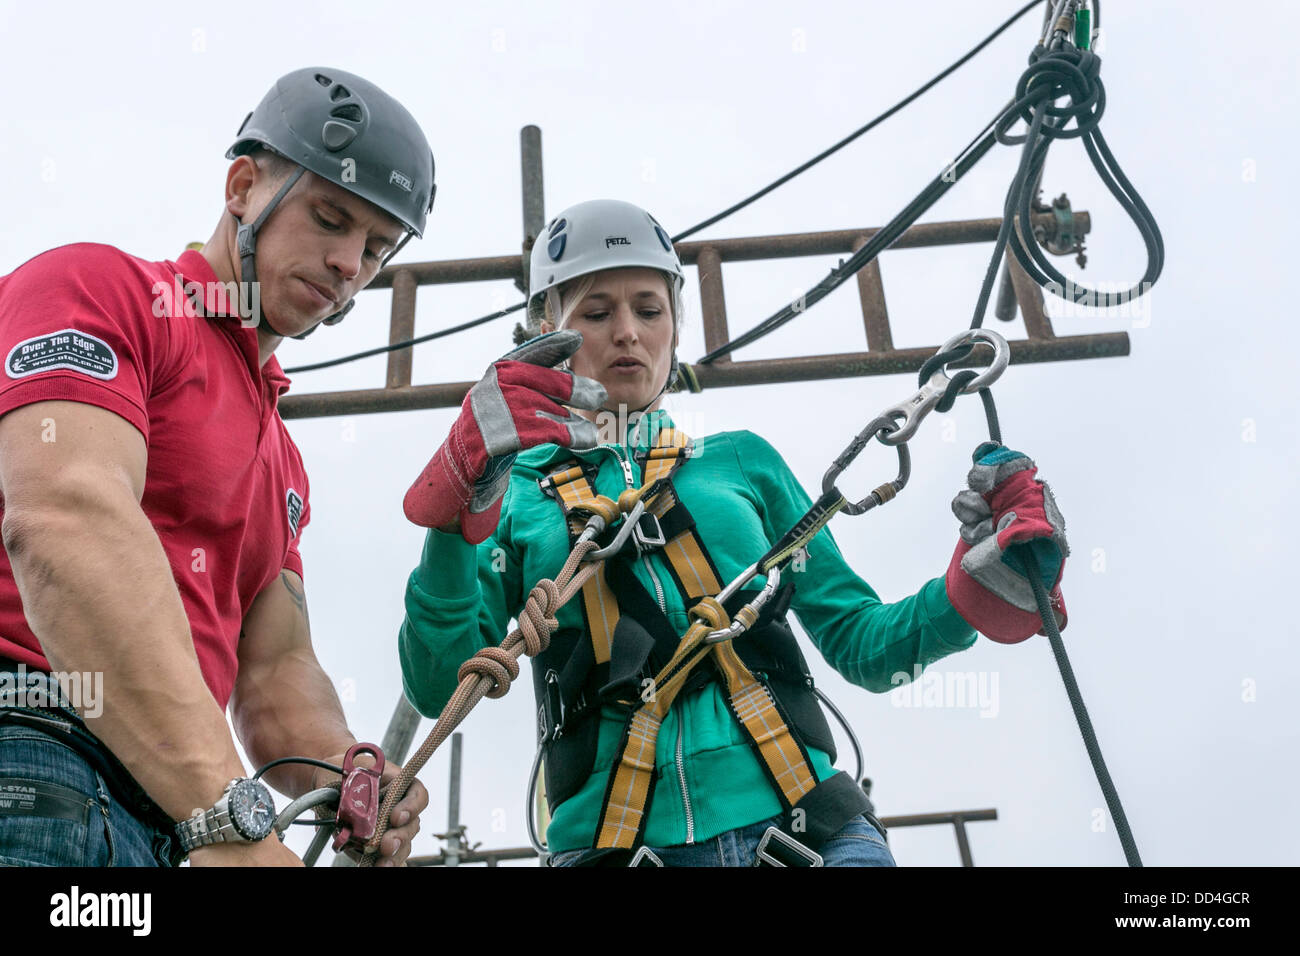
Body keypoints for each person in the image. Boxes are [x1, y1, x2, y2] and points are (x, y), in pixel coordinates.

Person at [398, 199, 1068, 867]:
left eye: (649, 310)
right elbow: (437, 682)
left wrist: (966, 595)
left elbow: (866, 646)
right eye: (597, 313)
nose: (627, 332)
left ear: (676, 329)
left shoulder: (741, 462)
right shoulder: (511, 493)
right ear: (548, 328)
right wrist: (459, 500)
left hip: (810, 835)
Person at [0, 67, 436, 866]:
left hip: (166, 810)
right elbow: (65, 522)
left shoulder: (282, 461)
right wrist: (226, 815)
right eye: (330, 219)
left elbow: (273, 672)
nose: (350, 265)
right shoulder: (101, 292)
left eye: (376, 249)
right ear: (244, 185)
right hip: (32, 758)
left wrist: (349, 767)